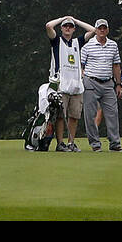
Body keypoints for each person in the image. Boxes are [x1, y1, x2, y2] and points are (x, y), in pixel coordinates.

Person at [45, 15, 95, 152]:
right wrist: (63, 19)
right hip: (61, 84)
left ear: (74, 29)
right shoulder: (56, 41)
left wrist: (76, 20)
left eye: (70, 26)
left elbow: (93, 30)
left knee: (74, 115)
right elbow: (49, 26)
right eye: (65, 26)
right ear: (61, 28)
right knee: (61, 116)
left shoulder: (77, 42)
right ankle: (60, 143)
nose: (68, 28)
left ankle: (71, 142)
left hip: (76, 85)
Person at [80, 18, 122, 152]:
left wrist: (118, 84)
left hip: (108, 83)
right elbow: (80, 66)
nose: (102, 30)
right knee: (90, 115)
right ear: (96, 30)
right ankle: (95, 144)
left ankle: (115, 144)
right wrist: (83, 79)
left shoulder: (113, 45)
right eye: (100, 28)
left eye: (104, 28)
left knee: (112, 114)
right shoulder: (88, 46)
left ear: (108, 30)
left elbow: (116, 66)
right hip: (91, 82)